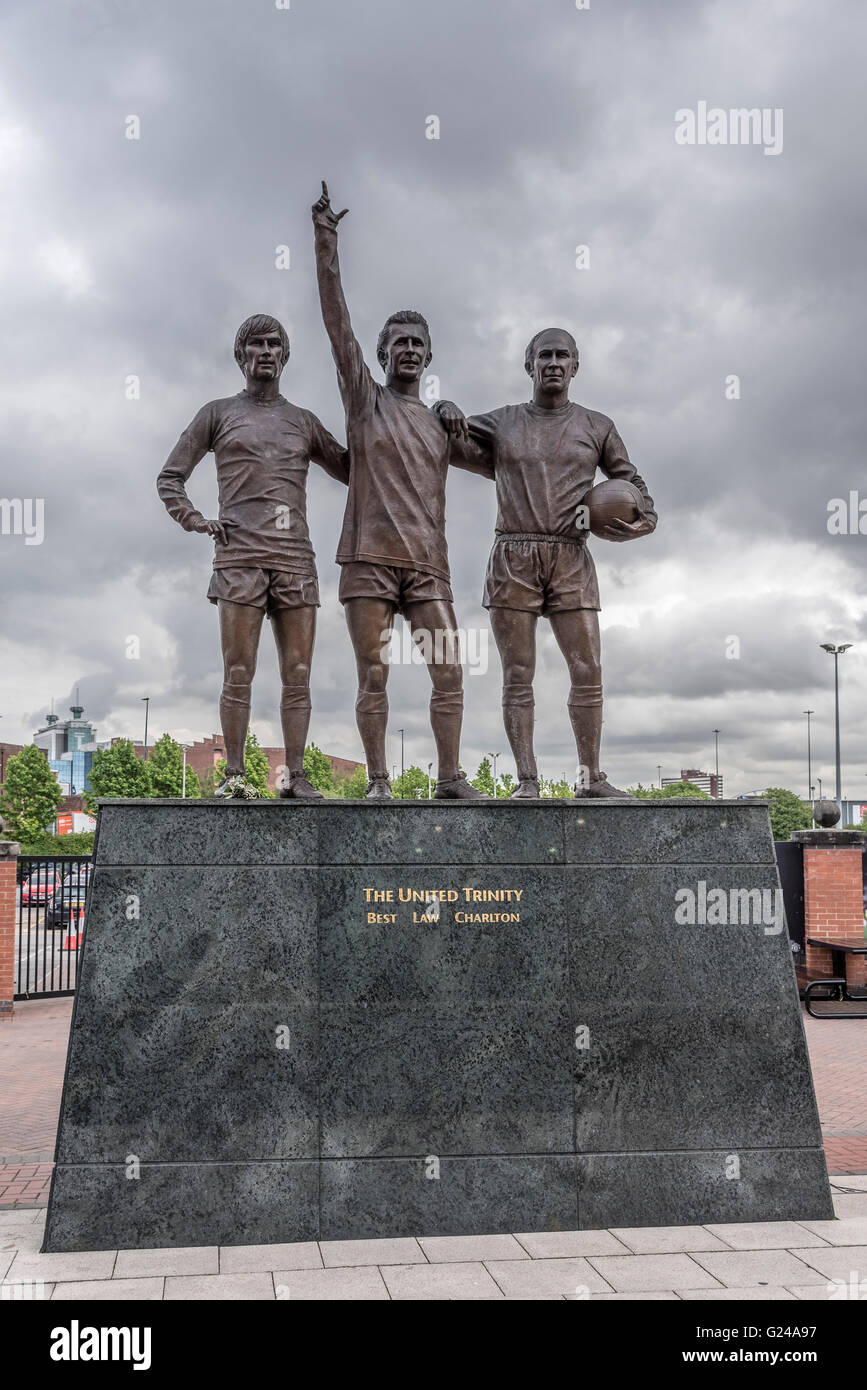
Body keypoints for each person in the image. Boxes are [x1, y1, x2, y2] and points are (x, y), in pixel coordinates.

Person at [312, 181, 489, 800]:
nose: (408, 349)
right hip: (367, 561)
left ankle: (449, 778)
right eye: (399, 342)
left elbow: (510, 462)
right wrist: (326, 242)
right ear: (384, 353)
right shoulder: (366, 400)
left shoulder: (444, 423)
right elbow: (339, 327)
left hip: (426, 566)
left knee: (450, 672)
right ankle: (379, 782)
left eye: (418, 342)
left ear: (429, 354)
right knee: (374, 675)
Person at [435, 327, 657, 798]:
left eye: (562, 356)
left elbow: (637, 491)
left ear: (575, 366)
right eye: (544, 355)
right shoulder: (504, 422)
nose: (553, 363)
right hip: (514, 554)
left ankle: (590, 777)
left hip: (571, 555)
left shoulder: (598, 426)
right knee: (518, 674)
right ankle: (527, 781)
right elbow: (447, 440)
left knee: (588, 669)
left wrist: (639, 522)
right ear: (529, 366)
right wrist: (444, 409)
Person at [157, 314, 349, 798]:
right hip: (238, 559)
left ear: (285, 356)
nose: (265, 352)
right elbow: (170, 476)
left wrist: (383, 427)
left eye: (274, 344)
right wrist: (195, 519)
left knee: (299, 674)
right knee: (238, 670)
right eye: (256, 344)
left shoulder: (303, 421)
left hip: (296, 562)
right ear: (241, 355)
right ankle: (236, 776)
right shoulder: (217, 413)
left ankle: (297, 776)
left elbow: (353, 469)